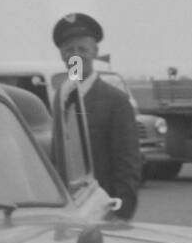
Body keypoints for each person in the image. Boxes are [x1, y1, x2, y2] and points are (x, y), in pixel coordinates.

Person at [50, 12, 141, 220]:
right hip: (66, 213)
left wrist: (121, 213)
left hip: (101, 213)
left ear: (95, 52)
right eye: (69, 50)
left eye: (82, 49)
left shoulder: (116, 101)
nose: (75, 55)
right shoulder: (60, 99)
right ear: (62, 55)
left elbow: (128, 165)